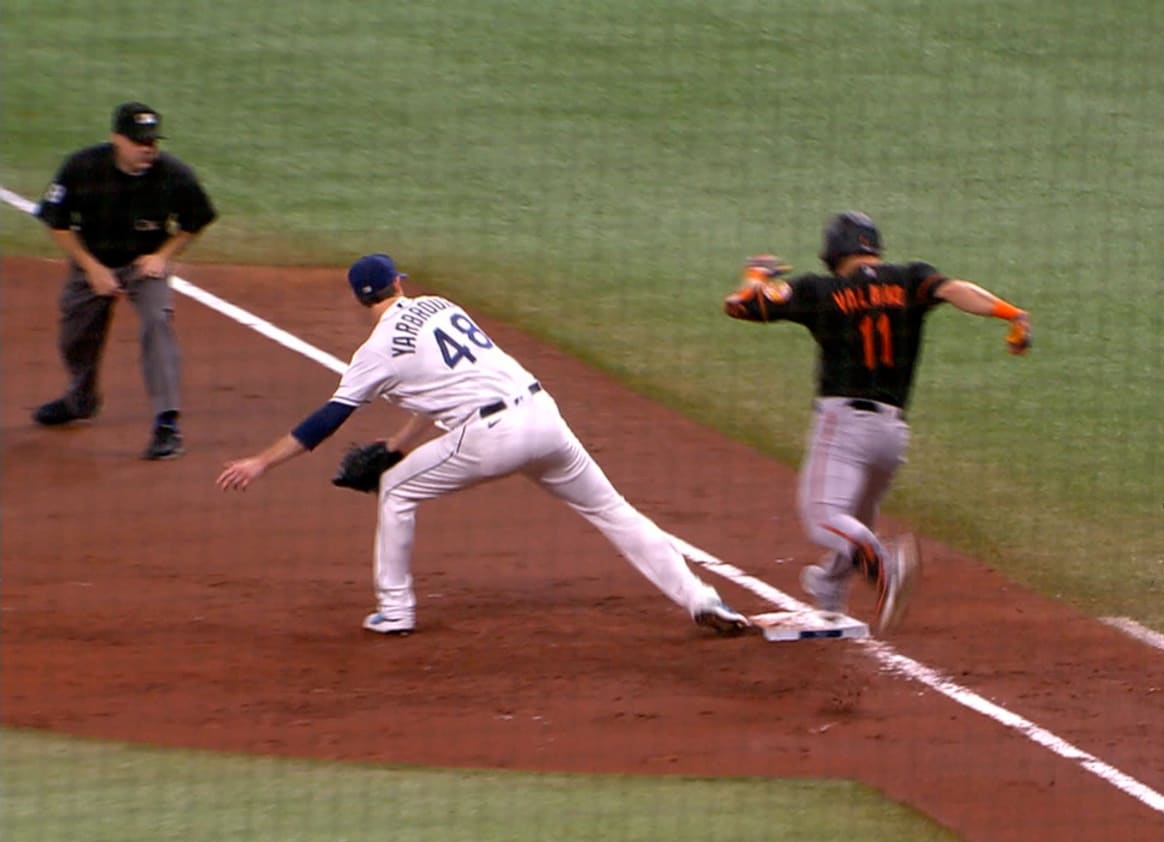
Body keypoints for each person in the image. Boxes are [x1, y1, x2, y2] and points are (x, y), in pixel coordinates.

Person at [216, 253, 753, 638]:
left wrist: (261, 462)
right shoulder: (441, 306)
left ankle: (395, 611)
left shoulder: (375, 350)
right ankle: (701, 598)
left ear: (362, 299)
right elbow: (444, 384)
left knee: (397, 492)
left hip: (493, 435)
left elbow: (327, 419)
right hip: (545, 416)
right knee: (613, 510)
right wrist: (401, 443)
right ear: (398, 284)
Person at [723, 211, 1032, 633]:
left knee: (824, 516)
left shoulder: (820, 289)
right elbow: (957, 290)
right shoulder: (910, 280)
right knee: (857, 519)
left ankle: (887, 565)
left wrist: (757, 275)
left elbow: (741, 307)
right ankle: (829, 595)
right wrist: (1011, 314)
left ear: (833, 253)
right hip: (892, 436)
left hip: (843, 425)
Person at [32, 101, 218, 460]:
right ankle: (80, 400)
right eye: (138, 142)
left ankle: (167, 425)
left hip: (143, 264)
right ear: (116, 139)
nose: (147, 149)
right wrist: (91, 268)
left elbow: (197, 220)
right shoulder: (83, 168)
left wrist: (162, 256)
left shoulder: (173, 175)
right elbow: (56, 221)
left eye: (151, 141)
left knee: (157, 322)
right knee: (76, 336)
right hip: (92, 261)